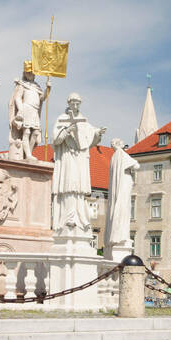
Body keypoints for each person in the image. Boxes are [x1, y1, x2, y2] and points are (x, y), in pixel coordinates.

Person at [51, 93, 105, 237]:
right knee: (69, 186)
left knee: (79, 189)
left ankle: (80, 218)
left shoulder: (83, 121)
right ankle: (68, 219)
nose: (75, 105)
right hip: (67, 157)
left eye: (78, 103)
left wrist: (98, 133)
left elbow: (89, 138)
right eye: (73, 103)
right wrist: (68, 130)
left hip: (80, 158)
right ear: (68, 103)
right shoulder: (62, 119)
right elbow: (55, 140)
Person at [7, 62, 49, 160]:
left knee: (36, 133)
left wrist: (48, 89)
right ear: (25, 73)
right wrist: (21, 110)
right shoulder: (22, 85)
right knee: (26, 132)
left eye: (32, 73)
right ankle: (28, 155)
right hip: (26, 109)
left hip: (34, 111)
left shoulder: (36, 86)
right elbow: (17, 98)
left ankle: (27, 154)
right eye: (28, 73)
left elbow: (42, 98)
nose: (31, 75)